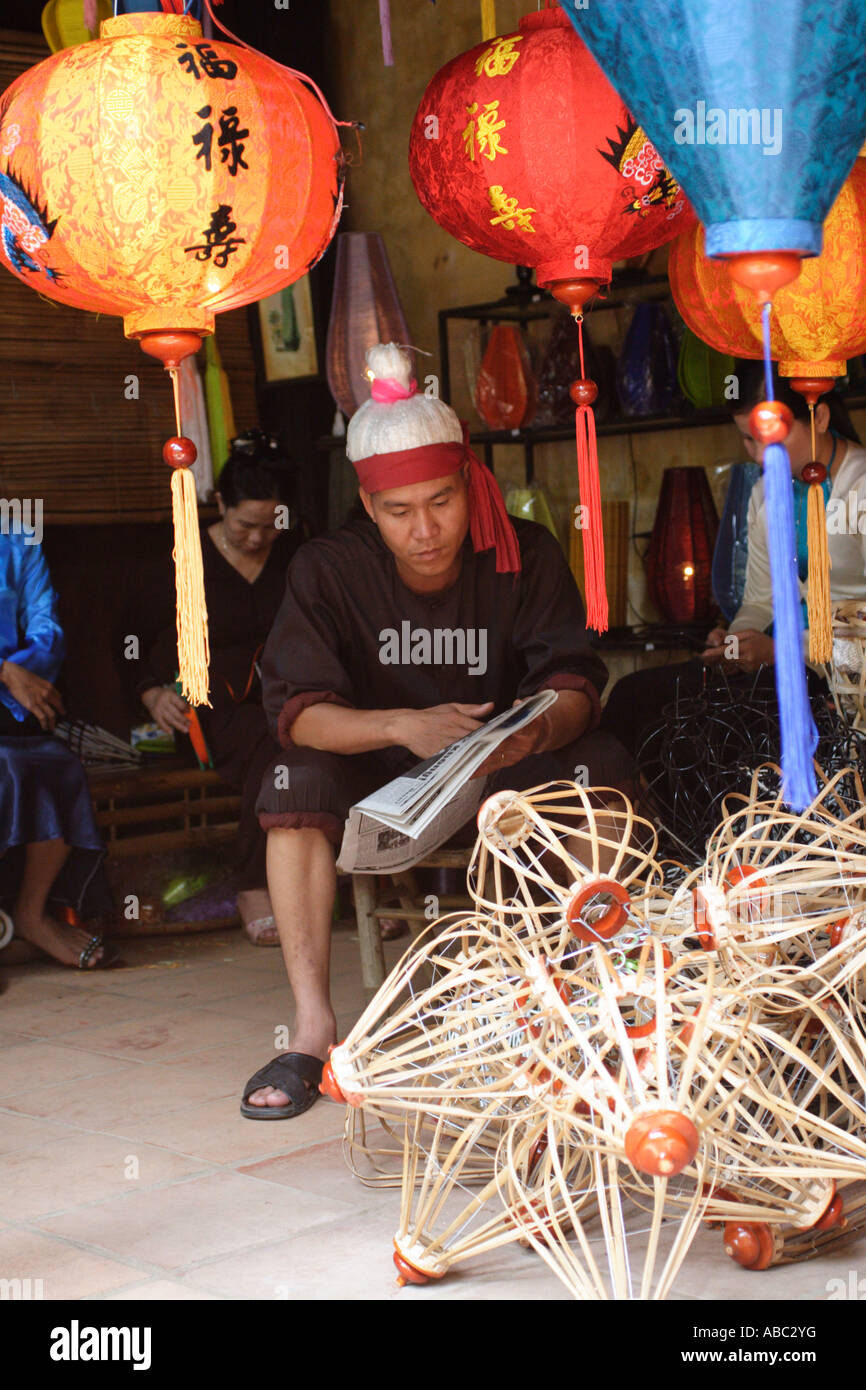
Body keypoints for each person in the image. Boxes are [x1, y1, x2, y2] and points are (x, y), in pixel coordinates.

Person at [240, 342, 635, 1120]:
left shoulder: (525, 554)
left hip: (502, 761)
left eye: (442, 502)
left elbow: (577, 683)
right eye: (398, 511)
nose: (425, 529)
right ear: (368, 505)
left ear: (470, 484)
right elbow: (296, 711)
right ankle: (313, 1027)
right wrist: (401, 724)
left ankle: (596, 990)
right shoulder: (329, 569)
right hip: (380, 767)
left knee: (603, 760)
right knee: (290, 777)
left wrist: (532, 731)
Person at [601, 361, 866, 758]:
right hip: (792, 667)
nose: (760, 454)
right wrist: (735, 646)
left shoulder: (860, 486)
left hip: (848, 680)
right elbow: (761, 601)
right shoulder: (765, 494)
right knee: (635, 696)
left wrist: (781, 651)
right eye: (747, 439)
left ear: (820, 416)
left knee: (721, 728)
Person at [127, 431, 305, 945]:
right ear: (220, 503)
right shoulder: (184, 559)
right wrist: (150, 693)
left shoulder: (295, 552)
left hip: (282, 694)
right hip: (206, 704)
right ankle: (253, 885)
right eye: (245, 524)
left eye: (270, 526)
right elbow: (130, 637)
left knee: (308, 734)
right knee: (277, 744)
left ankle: (326, 877)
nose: (256, 539)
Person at [0, 532, 113, 968]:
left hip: (15, 704)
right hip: (11, 688)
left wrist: (18, 683)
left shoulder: (18, 544)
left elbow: (46, 626)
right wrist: (4, 670)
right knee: (6, 768)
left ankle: (31, 913)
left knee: (55, 764)